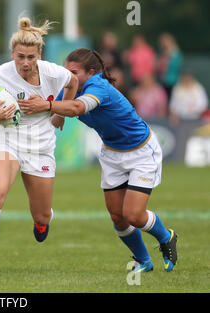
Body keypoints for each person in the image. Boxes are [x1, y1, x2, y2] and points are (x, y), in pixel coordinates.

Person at [19, 48, 178, 273]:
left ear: (91, 72)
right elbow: (61, 104)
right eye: (66, 71)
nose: (68, 76)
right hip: (112, 154)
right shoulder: (71, 88)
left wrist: (50, 106)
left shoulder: (99, 87)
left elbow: (77, 108)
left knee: (133, 214)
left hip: (141, 151)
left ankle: (166, 237)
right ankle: (144, 261)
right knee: (118, 217)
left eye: (74, 72)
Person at [0, 17, 78, 274]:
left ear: (39, 54)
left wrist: (57, 111)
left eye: (30, 57)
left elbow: (73, 82)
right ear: (12, 54)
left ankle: (41, 222)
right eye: (20, 57)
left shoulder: (52, 72)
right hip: (8, 138)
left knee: (42, 216)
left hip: (40, 145)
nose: (25, 63)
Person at [157, 33, 182, 101]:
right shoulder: (161, 53)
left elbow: (176, 66)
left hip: (173, 81)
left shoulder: (175, 52)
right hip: (162, 80)